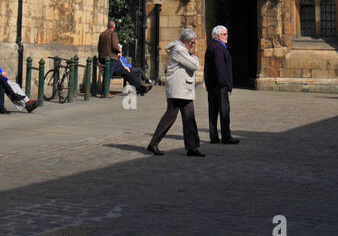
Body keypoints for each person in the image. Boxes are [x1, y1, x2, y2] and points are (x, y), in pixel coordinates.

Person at [147, 28, 203, 156]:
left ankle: (192, 147)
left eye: (194, 43)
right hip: (178, 90)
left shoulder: (183, 50)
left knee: (189, 118)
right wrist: (193, 57)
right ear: (185, 41)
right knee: (170, 117)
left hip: (185, 89)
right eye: (192, 43)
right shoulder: (179, 50)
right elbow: (194, 65)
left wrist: (192, 57)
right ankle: (153, 143)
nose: (193, 45)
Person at [204, 24, 239, 145]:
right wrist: (225, 84)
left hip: (212, 85)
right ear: (218, 36)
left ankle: (213, 137)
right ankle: (226, 136)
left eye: (226, 34)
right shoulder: (218, 47)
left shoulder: (211, 46)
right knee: (224, 112)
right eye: (224, 34)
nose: (227, 36)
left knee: (213, 112)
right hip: (219, 86)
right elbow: (220, 67)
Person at [97, 19, 151, 94]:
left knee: (127, 73)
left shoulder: (102, 35)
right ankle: (105, 92)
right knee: (110, 75)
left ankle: (141, 88)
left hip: (103, 59)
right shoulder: (113, 34)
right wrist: (119, 51)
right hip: (113, 59)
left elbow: (99, 48)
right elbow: (115, 46)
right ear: (113, 27)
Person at [0, 45, 37, 112]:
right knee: (11, 87)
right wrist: (0, 74)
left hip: (1, 78)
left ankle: (27, 104)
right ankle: (27, 103)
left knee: (15, 85)